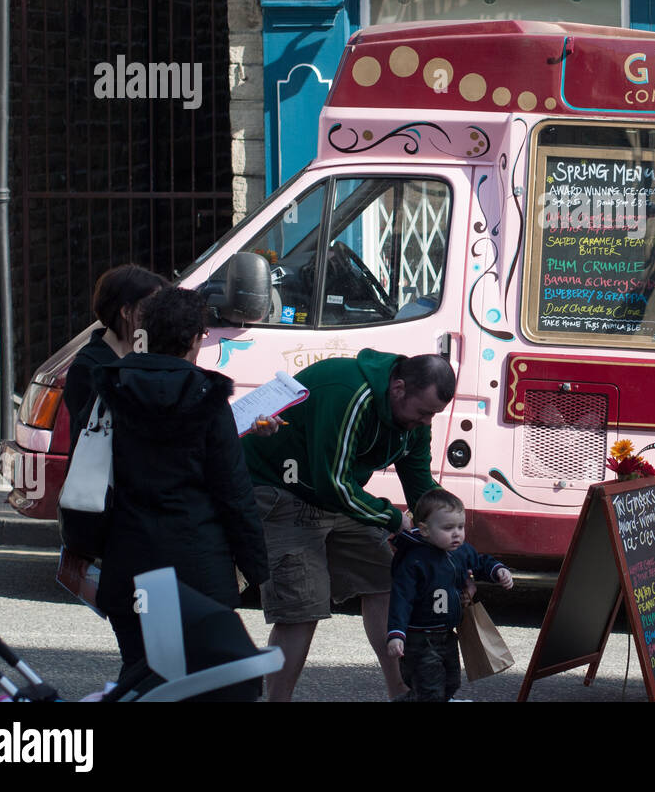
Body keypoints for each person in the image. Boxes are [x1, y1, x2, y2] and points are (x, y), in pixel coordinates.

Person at [241, 350, 457, 702]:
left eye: (433, 414)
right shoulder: (350, 393)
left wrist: (446, 530)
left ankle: (401, 694)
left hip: (334, 494)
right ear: (398, 388)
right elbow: (333, 483)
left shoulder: (414, 420)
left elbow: (419, 482)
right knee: (301, 607)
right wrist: (393, 519)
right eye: (423, 412)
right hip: (279, 490)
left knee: (390, 579)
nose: (426, 421)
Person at [91, 287, 269, 675]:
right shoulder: (205, 394)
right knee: (199, 679)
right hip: (197, 567)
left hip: (129, 558)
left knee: (140, 673)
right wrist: (257, 569)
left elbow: (88, 472)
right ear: (194, 338)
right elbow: (233, 492)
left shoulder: (110, 386)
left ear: (148, 333)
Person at [386, 489, 513, 702]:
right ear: (425, 530)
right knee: (429, 690)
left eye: (460, 527)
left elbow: (480, 562)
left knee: (451, 682)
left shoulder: (461, 551)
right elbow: (401, 599)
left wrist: (498, 571)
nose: (457, 534)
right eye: (448, 528)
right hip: (419, 638)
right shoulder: (414, 561)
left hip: (447, 634)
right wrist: (397, 633)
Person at [61, 264, 168, 447]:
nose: (157, 316)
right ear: (126, 312)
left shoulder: (146, 354)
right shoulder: (86, 369)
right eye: (150, 307)